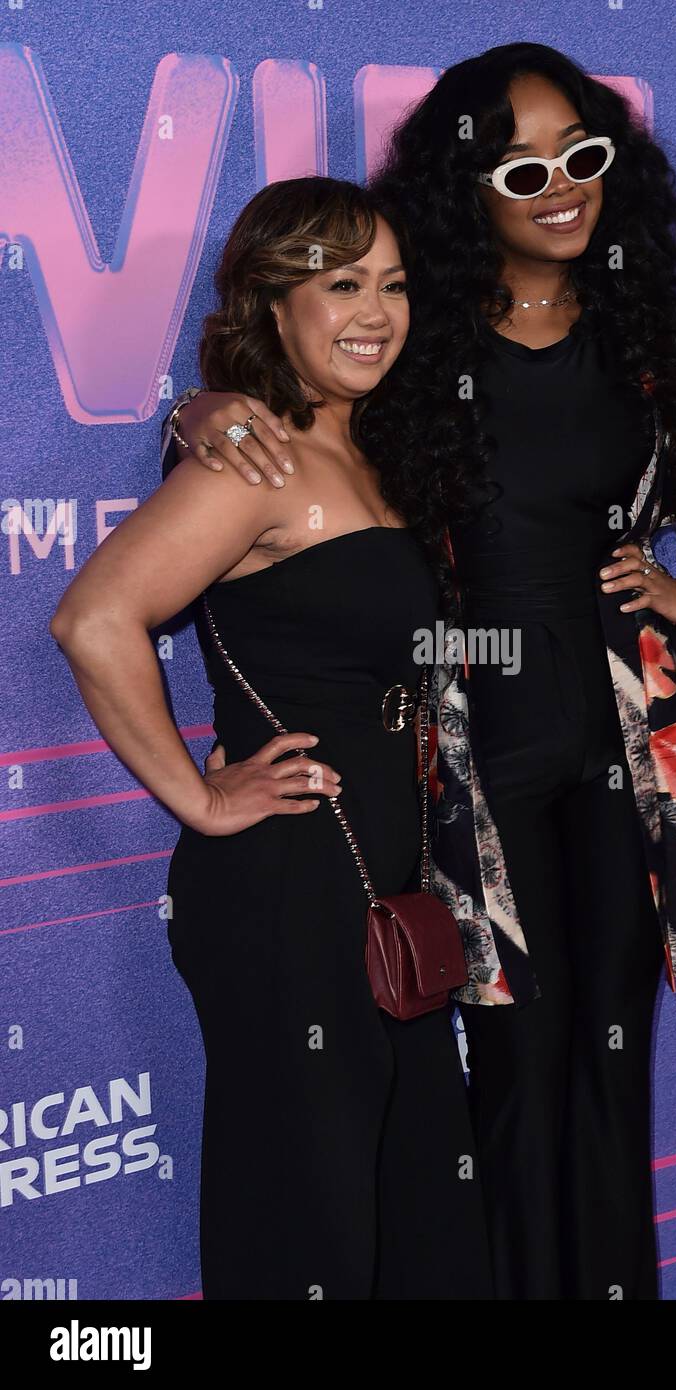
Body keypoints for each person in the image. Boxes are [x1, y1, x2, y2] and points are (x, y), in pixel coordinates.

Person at [161, 45, 676, 1301]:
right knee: (518, 1067)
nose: (558, 188)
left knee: (608, 1058)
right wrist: (199, 412)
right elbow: (280, 422)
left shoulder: (651, 335)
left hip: (630, 746)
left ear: (612, 166)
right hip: (471, 744)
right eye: (520, 167)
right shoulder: (411, 336)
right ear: (468, 186)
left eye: (581, 157)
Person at [50, 177, 494, 1301]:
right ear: (271, 301)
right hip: (289, 883)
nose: (376, 311)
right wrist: (199, 801)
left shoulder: (366, 449)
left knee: (404, 1199)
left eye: (392, 285)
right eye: (342, 283)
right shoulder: (253, 461)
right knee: (306, 1210)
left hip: (375, 874)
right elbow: (94, 619)